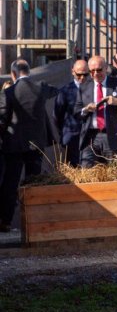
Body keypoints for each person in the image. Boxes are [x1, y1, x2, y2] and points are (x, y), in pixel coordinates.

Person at [0, 60, 53, 233]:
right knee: (33, 183)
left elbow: (2, 119)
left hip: (13, 145)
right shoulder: (41, 88)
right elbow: (54, 92)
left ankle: (5, 221)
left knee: (10, 184)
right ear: (28, 72)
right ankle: (34, 222)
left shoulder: (9, 92)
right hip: (36, 145)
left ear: (13, 74)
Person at [74, 56, 117, 167]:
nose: (95, 73)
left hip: (112, 136)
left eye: (99, 70)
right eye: (92, 71)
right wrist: (86, 110)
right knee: (87, 172)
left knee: (114, 172)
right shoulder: (84, 86)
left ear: (106, 68)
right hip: (90, 137)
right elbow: (76, 112)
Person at [54, 59, 88, 166]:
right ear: (73, 71)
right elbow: (57, 115)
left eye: (85, 74)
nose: (82, 78)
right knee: (73, 167)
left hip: (90, 136)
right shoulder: (65, 91)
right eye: (79, 75)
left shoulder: (94, 88)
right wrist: (64, 132)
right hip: (72, 136)